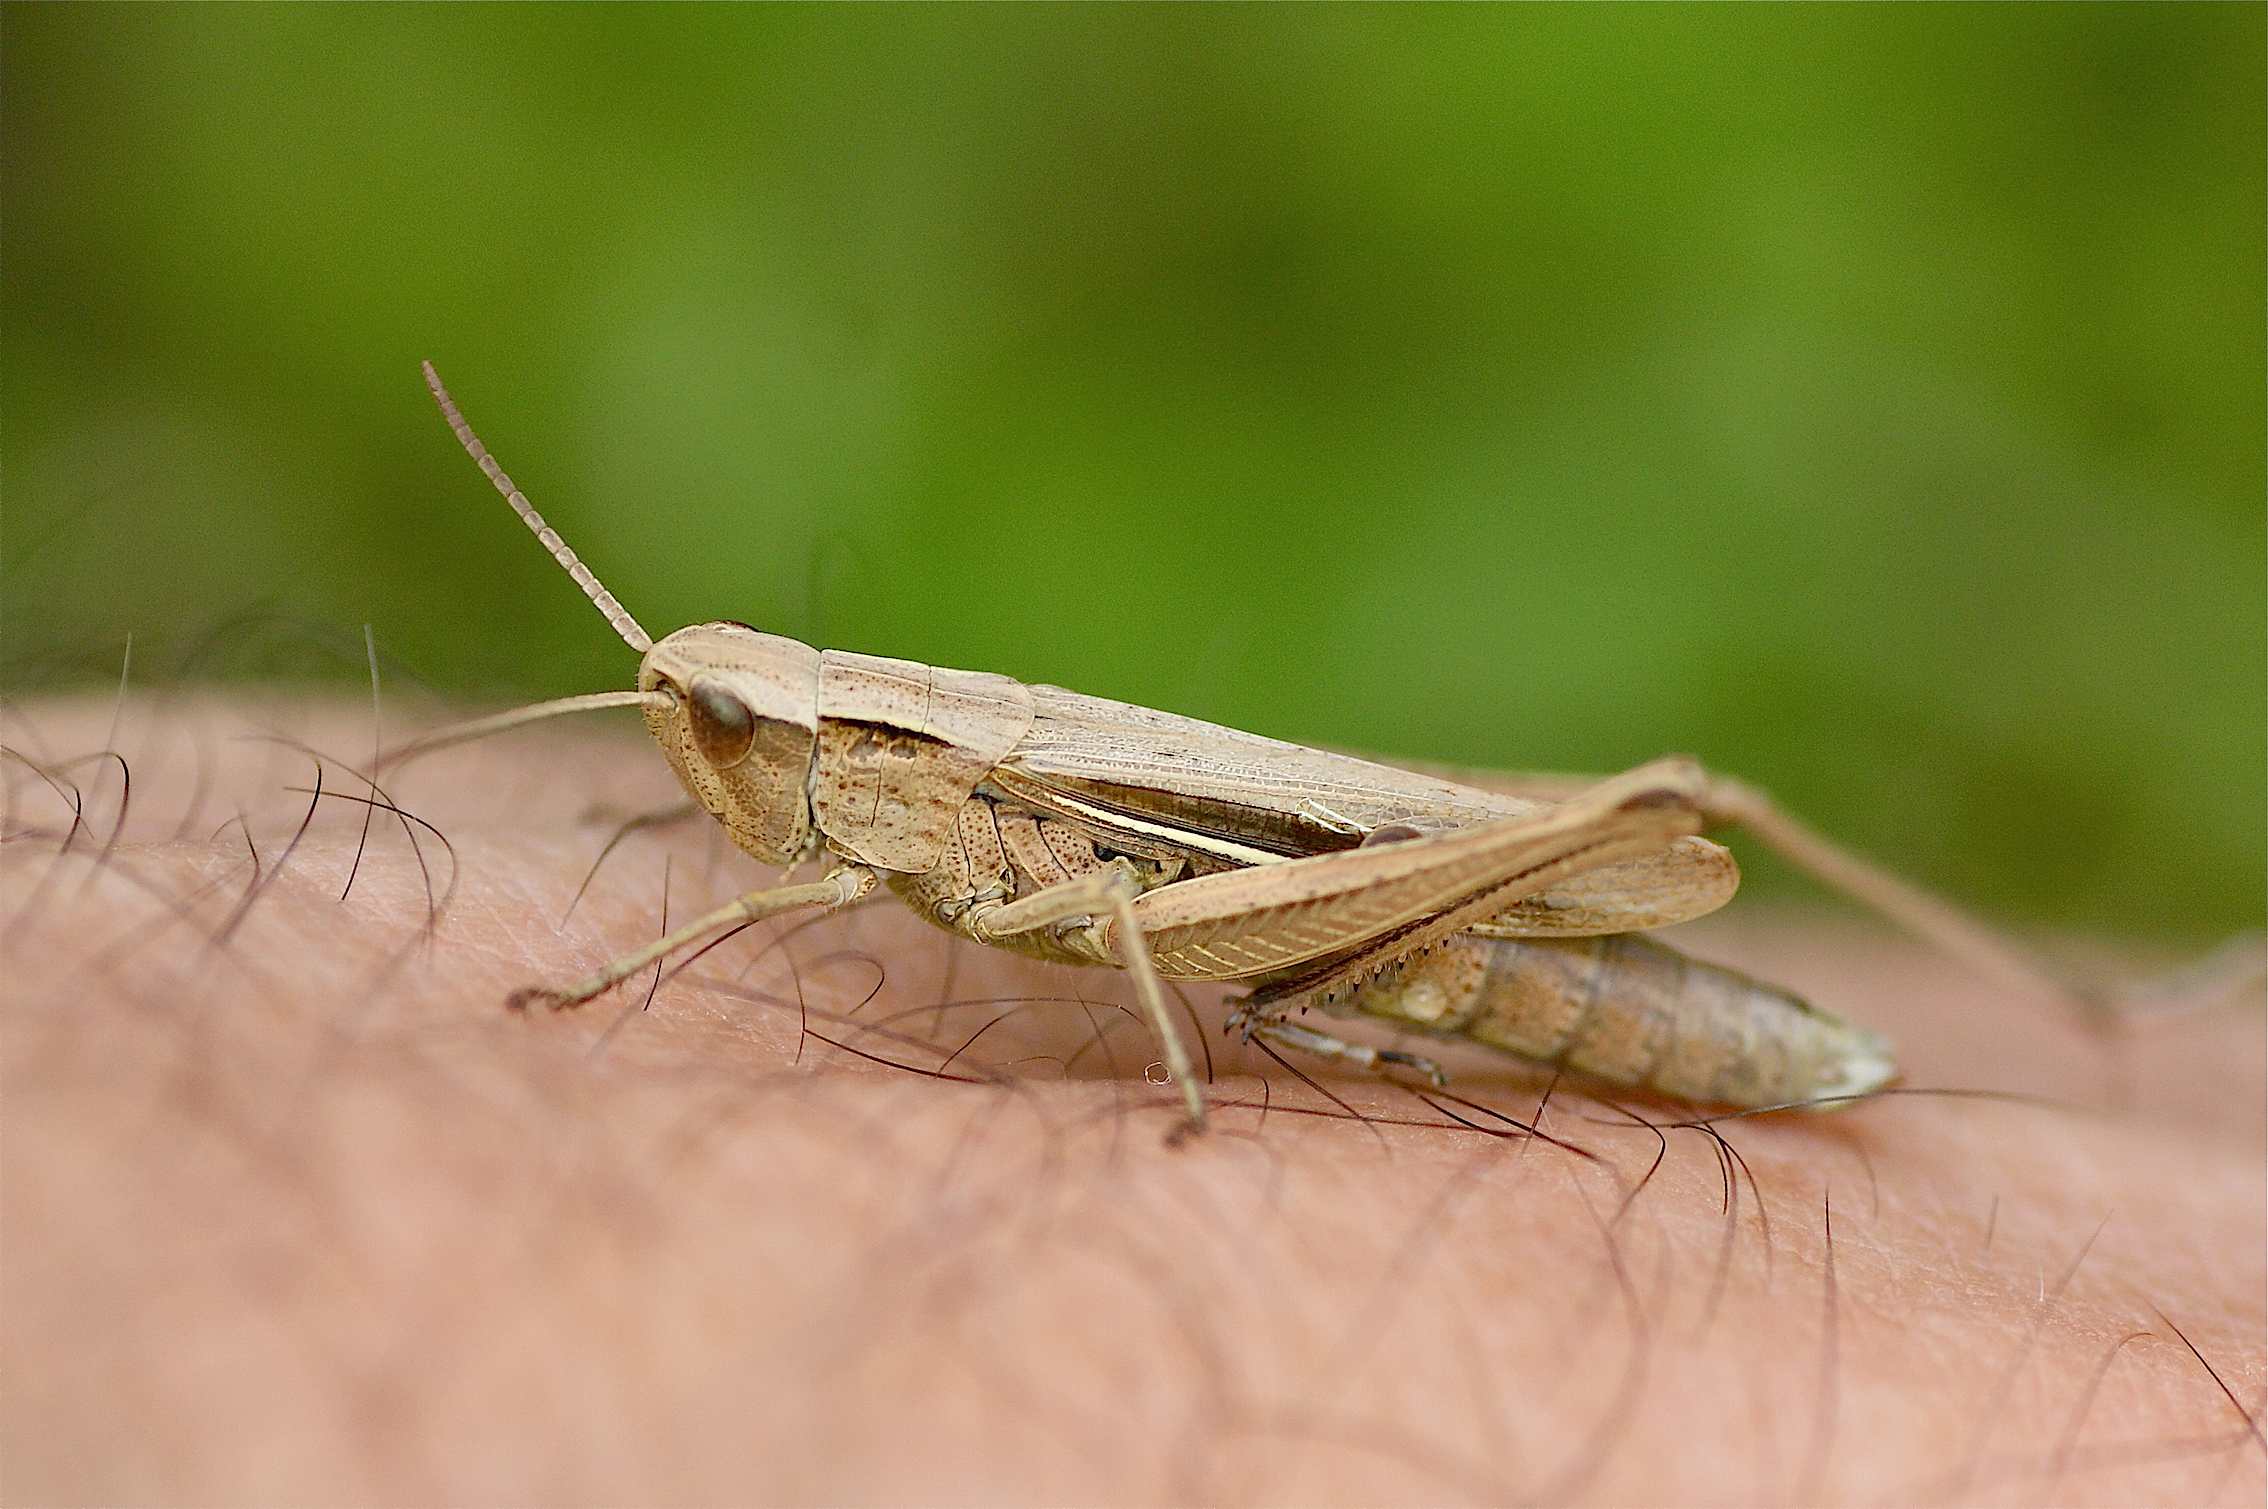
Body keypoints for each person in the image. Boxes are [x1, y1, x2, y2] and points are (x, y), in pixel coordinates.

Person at [5, 694, 2260, 1506]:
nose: (719, 779)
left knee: (1676, 795)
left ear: (843, 746)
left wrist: (609, 968)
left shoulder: (944, 804)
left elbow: (1143, 923)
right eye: (703, 743)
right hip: (1319, 938)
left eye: (731, 742)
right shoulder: (840, 807)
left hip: (1417, 919)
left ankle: (2075, 1000)